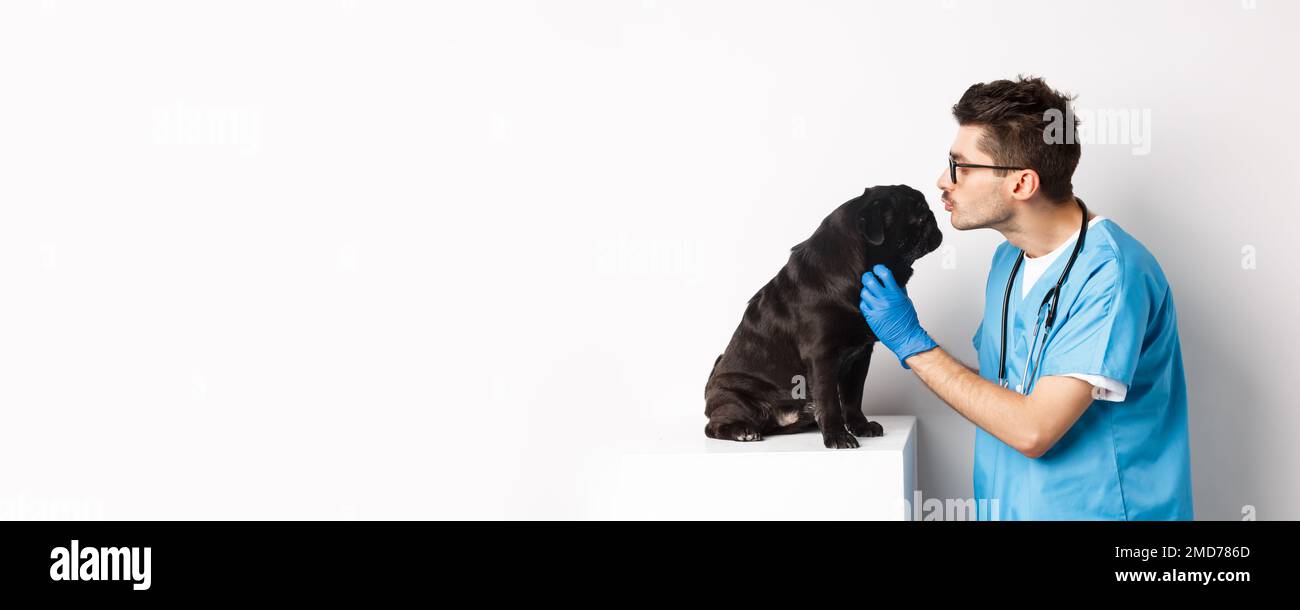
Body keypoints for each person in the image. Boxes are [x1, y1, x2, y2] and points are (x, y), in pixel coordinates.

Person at [857, 76, 1193, 520]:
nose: (944, 180)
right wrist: (919, 347)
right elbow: (1009, 388)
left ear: (1021, 184)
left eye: (962, 166)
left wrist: (914, 346)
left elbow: (1034, 429)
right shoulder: (1009, 261)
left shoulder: (1112, 273)